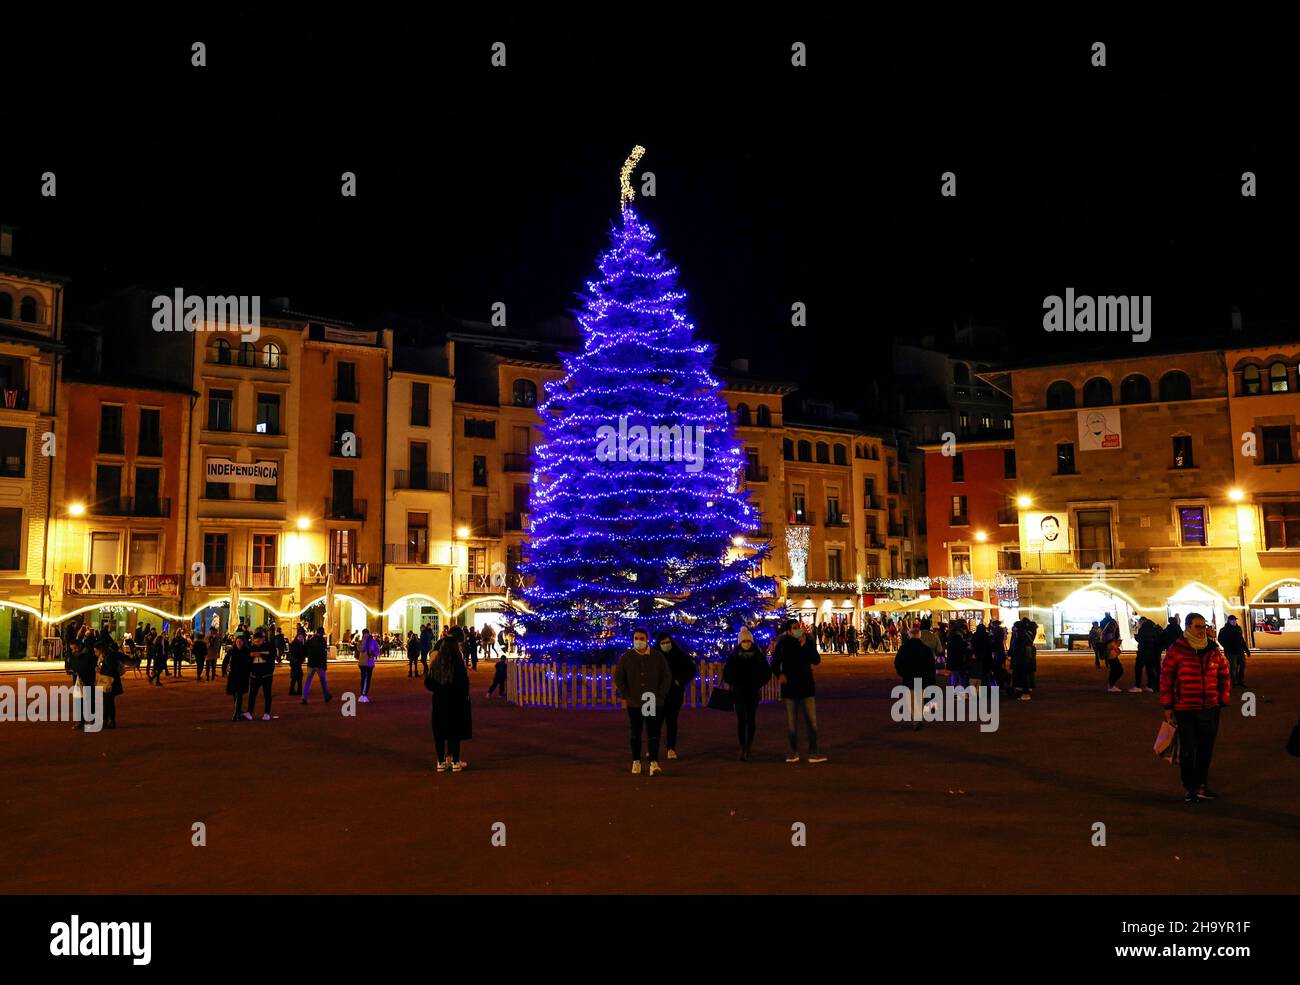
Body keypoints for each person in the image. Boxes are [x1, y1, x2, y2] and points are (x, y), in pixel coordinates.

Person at [1160, 612, 1231, 804]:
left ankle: (1201, 786)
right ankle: (1189, 787)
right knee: (1188, 750)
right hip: (1185, 709)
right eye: (1198, 626)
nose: (1202, 630)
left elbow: (1224, 674)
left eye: (1204, 626)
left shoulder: (1213, 649)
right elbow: (1166, 679)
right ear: (1188, 627)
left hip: (1210, 707)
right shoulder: (1177, 650)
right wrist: (1168, 705)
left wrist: (1223, 697)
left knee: (1206, 749)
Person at [613, 628, 672, 775]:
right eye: (636, 638)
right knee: (636, 732)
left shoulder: (657, 656)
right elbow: (619, 677)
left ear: (647, 640)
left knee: (652, 731)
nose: (638, 641)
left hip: (651, 700)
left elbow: (666, 675)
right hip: (634, 701)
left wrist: (660, 693)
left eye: (641, 638)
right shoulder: (627, 657)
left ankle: (653, 762)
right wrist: (627, 694)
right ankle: (636, 761)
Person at [770, 618, 826, 763]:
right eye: (794, 627)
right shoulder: (783, 644)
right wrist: (780, 674)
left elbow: (816, 660)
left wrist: (806, 645)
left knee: (812, 723)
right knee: (792, 724)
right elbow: (774, 663)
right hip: (789, 689)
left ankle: (813, 753)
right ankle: (793, 752)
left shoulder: (807, 641)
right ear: (788, 631)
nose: (798, 629)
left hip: (806, 687)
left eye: (798, 627)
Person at [722, 626, 771, 760]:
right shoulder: (734, 657)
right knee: (741, 719)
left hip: (752, 692)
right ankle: (742, 745)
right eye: (744, 641)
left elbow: (766, 673)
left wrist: (757, 683)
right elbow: (726, 674)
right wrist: (734, 682)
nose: (746, 644)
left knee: (751, 719)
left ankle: (749, 744)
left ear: (752, 642)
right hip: (739, 692)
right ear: (740, 643)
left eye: (748, 641)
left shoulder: (758, 656)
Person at [427, 635, 472, 771]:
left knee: (439, 732)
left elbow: (428, 683)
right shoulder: (458, 665)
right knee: (454, 732)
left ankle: (440, 761)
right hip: (455, 702)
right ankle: (455, 761)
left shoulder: (436, 664)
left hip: (439, 702)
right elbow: (464, 685)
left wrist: (438, 688)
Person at [655, 631, 697, 760]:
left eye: (667, 642)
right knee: (654, 722)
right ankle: (653, 748)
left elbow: (692, 670)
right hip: (656, 695)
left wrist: (681, 681)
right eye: (663, 643)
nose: (666, 645)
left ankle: (671, 748)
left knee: (671, 721)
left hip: (674, 694)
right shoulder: (654, 656)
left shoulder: (679, 655)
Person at [894, 623, 937, 729]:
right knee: (920, 699)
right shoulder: (926, 649)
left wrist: (902, 673)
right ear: (919, 635)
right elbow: (931, 665)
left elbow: (897, 663)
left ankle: (915, 719)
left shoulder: (904, 648)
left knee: (911, 700)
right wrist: (928, 675)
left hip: (908, 678)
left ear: (910, 635)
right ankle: (918, 718)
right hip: (922, 678)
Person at [91, 641, 123, 729]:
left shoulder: (108, 657)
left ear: (100, 650)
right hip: (106, 682)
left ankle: (110, 720)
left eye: (96, 651)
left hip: (109, 683)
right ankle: (106, 720)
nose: (95, 653)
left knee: (108, 702)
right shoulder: (104, 656)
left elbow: (111, 670)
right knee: (106, 702)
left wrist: (100, 670)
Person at [247, 628, 275, 720]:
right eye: (256, 640)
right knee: (252, 695)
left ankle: (267, 713)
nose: (257, 642)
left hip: (266, 675)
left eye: (259, 640)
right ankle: (249, 712)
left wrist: (260, 654)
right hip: (254, 675)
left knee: (267, 694)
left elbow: (271, 658)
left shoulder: (269, 646)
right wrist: (251, 656)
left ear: (263, 639)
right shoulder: (251, 648)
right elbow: (248, 660)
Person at [226, 633, 253, 721]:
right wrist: (224, 670)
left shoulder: (247, 652)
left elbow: (250, 664)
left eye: (240, 641)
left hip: (242, 676)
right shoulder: (232, 651)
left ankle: (236, 714)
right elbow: (226, 661)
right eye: (237, 641)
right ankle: (238, 711)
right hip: (233, 676)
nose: (239, 643)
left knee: (239, 694)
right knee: (235, 695)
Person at [1010, 617, 1038, 700]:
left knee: (1022, 675)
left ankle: (1024, 693)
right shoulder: (1028, 633)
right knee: (1026, 674)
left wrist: (1012, 655)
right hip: (1028, 658)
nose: (1013, 628)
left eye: (1014, 626)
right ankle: (1026, 691)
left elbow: (1017, 648)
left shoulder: (1020, 636)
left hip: (1021, 659)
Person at [302, 627, 332, 703]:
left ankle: (304, 697)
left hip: (311, 663)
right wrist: (324, 665)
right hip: (319, 664)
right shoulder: (322, 641)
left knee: (308, 681)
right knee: (323, 681)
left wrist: (308, 656)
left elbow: (305, 648)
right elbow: (323, 654)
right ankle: (326, 695)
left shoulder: (311, 640)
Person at [1131, 617, 1161, 692]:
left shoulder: (1143, 628)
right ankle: (1150, 686)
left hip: (1143, 651)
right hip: (1151, 652)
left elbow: (1141, 639)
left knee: (1138, 668)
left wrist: (1136, 637)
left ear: (1142, 621)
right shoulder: (1153, 627)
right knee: (1149, 669)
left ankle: (1137, 685)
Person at [1217, 614, 1248, 687]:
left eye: (1235, 620)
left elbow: (1241, 640)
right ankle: (1235, 682)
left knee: (1243, 666)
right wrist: (1227, 647)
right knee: (1233, 667)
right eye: (1232, 620)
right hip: (1231, 652)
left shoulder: (1238, 628)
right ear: (1229, 621)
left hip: (1240, 651)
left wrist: (1246, 649)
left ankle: (1241, 681)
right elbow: (1220, 639)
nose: (1234, 621)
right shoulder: (1224, 630)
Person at [356, 627, 380, 702]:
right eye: (364, 634)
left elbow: (378, 650)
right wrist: (364, 641)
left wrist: (373, 654)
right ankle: (362, 693)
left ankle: (365, 693)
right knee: (363, 678)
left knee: (368, 678)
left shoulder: (373, 641)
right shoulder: (360, 642)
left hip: (370, 663)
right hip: (362, 663)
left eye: (367, 634)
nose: (366, 635)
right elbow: (361, 649)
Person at [946, 620, 971, 688]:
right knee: (960, 676)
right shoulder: (959, 639)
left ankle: (953, 688)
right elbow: (963, 649)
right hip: (959, 660)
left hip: (952, 660)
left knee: (954, 675)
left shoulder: (950, 638)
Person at [287, 630, 306, 695]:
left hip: (295, 662)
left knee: (295, 677)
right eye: (300, 637)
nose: (301, 638)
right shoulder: (296, 644)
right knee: (298, 676)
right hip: (295, 662)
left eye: (302, 637)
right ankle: (297, 691)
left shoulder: (296, 644)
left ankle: (295, 690)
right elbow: (297, 653)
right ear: (297, 637)